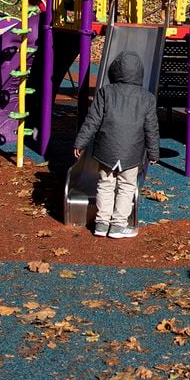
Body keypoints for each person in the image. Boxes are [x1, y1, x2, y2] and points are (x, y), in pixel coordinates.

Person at [72, 51, 160, 239]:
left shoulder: (106, 92)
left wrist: (80, 142)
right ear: (139, 73)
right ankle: (118, 225)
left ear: (115, 71)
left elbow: (92, 121)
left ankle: (102, 223)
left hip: (106, 150)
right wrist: (153, 153)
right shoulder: (147, 98)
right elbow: (151, 128)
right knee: (127, 186)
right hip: (132, 152)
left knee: (105, 183)